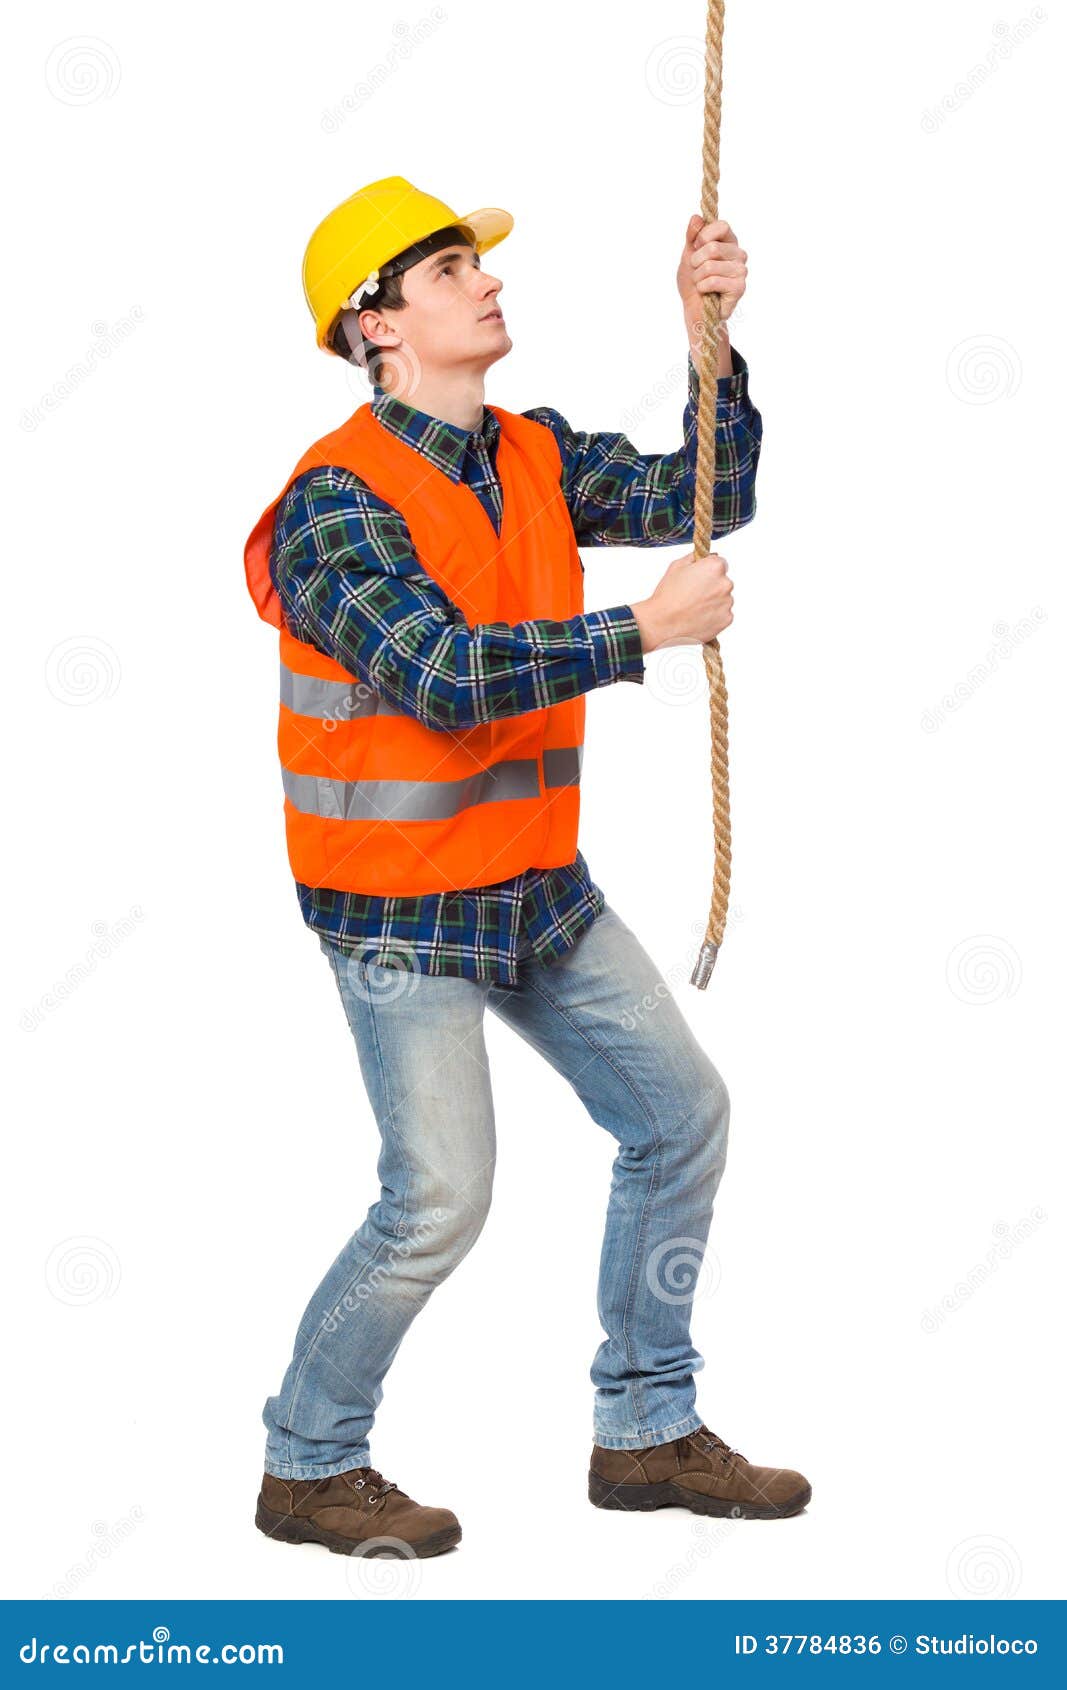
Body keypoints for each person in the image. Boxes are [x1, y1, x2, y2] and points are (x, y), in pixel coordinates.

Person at [244, 175, 811, 1560]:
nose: (483, 281)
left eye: (474, 264)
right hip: (401, 913)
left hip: (533, 883)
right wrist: (639, 634)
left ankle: (645, 1429)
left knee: (682, 1118)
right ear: (376, 325)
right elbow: (441, 676)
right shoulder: (335, 505)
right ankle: (309, 1462)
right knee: (438, 1199)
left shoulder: (533, 455)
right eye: (446, 270)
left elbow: (706, 496)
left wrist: (710, 343)